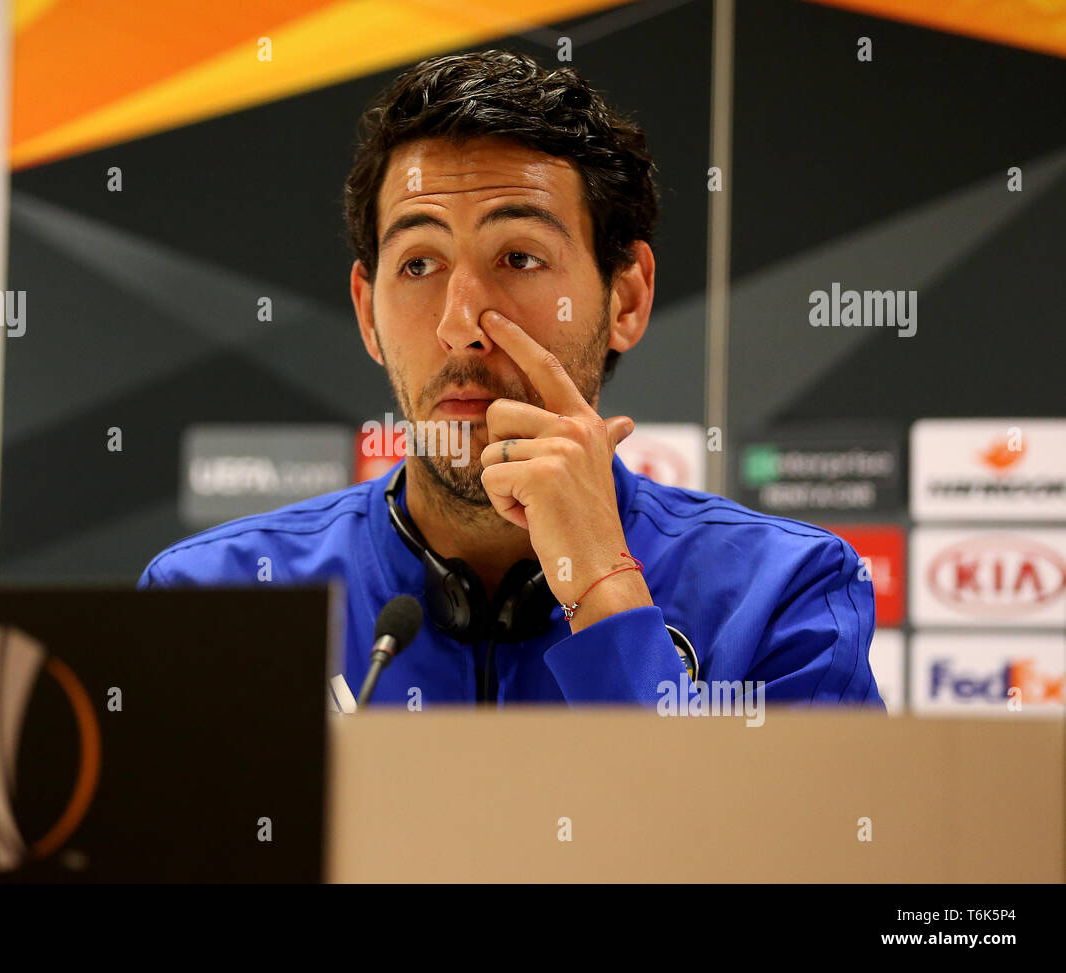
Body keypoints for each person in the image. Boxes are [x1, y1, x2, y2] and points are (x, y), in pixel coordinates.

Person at [138, 50, 885, 710]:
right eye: (420, 264)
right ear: (367, 313)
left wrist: (605, 588)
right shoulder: (214, 601)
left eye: (519, 257)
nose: (460, 321)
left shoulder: (784, 595)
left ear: (626, 298)